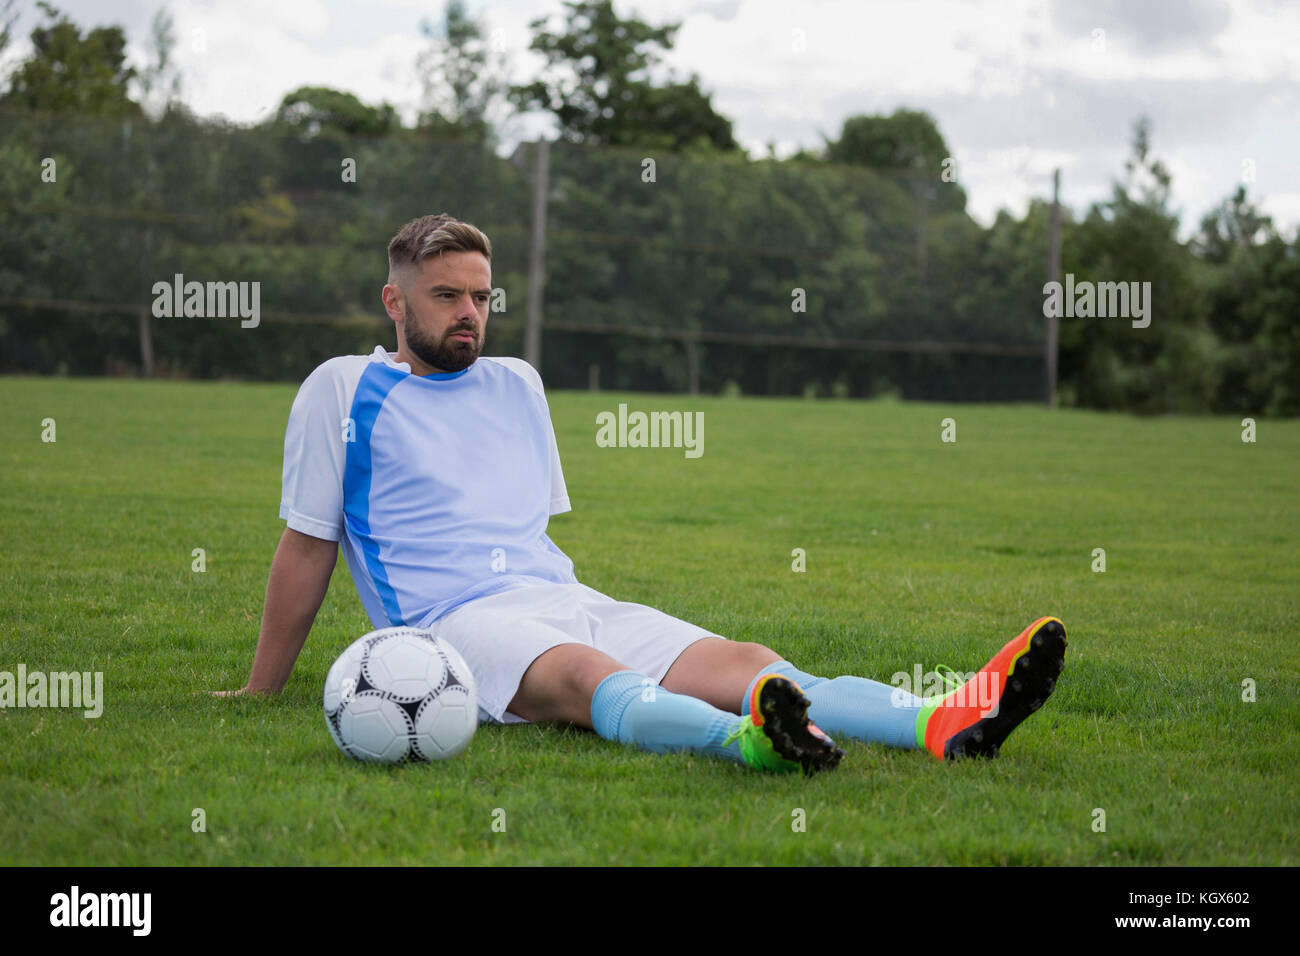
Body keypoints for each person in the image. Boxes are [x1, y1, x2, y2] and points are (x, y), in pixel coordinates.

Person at [215, 213, 1067, 774]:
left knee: (750, 663)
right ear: (396, 301)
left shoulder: (518, 384)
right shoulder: (341, 388)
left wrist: (563, 598)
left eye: (480, 295)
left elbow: (524, 527)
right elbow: (308, 542)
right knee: (590, 678)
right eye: (447, 297)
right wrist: (263, 689)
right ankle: (749, 747)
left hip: (559, 591)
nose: (469, 313)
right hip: (450, 621)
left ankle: (946, 720)